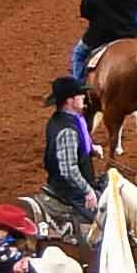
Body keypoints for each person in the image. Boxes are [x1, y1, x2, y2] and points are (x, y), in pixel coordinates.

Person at [42, 75, 98, 228]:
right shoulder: (67, 130)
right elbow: (68, 170)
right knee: (106, 218)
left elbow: (77, 144)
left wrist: (91, 149)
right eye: (79, 95)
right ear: (69, 101)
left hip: (64, 183)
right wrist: (87, 191)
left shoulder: (63, 119)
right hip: (70, 190)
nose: (84, 97)